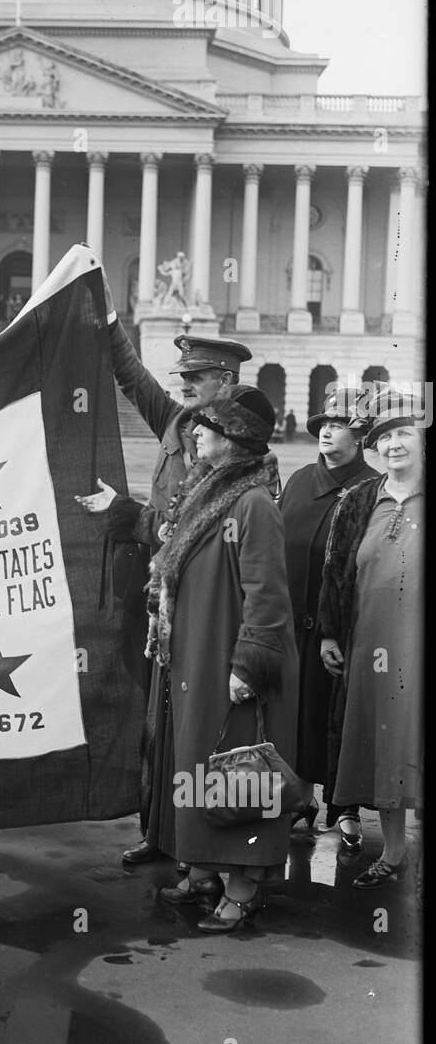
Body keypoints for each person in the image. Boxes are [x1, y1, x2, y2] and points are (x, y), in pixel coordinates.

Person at [77, 319, 254, 865]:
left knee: (196, 732)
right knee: (158, 724)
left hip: (202, 614)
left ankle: (197, 847)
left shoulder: (243, 447)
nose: (183, 384)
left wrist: (130, 517)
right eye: (183, 374)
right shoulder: (180, 422)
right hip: (159, 605)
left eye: (195, 375)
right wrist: (106, 317)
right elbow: (132, 378)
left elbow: (204, 533)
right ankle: (159, 833)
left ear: (226, 380)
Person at [149, 385, 299, 931]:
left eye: (207, 427)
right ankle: (207, 870)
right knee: (203, 768)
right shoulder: (208, 492)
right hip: (199, 658)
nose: (196, 433)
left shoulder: (254, 504)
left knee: (241, 775)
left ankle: (243, 888)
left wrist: (247, 667)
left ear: (234, 440)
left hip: (233, 667)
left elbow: (268, 596)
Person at [318, 389, 424, 891]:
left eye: (404, 432)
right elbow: (336, 570)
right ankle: (396, 853)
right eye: (385, 436)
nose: (395, 443)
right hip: (370, 649)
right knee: (384, 748)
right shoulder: (361, 499)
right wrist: (329, 635)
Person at [279, 385, 378, 859]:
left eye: (337, 426)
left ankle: (346, 807)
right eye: (322, 426)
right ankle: (300, 801)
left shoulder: (374, 488)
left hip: (343, 629)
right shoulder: (298, 480)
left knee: (338, 715)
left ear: (359, 437)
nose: (326, 432)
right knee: (295, 715)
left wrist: (334, 627)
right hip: (292, 628)